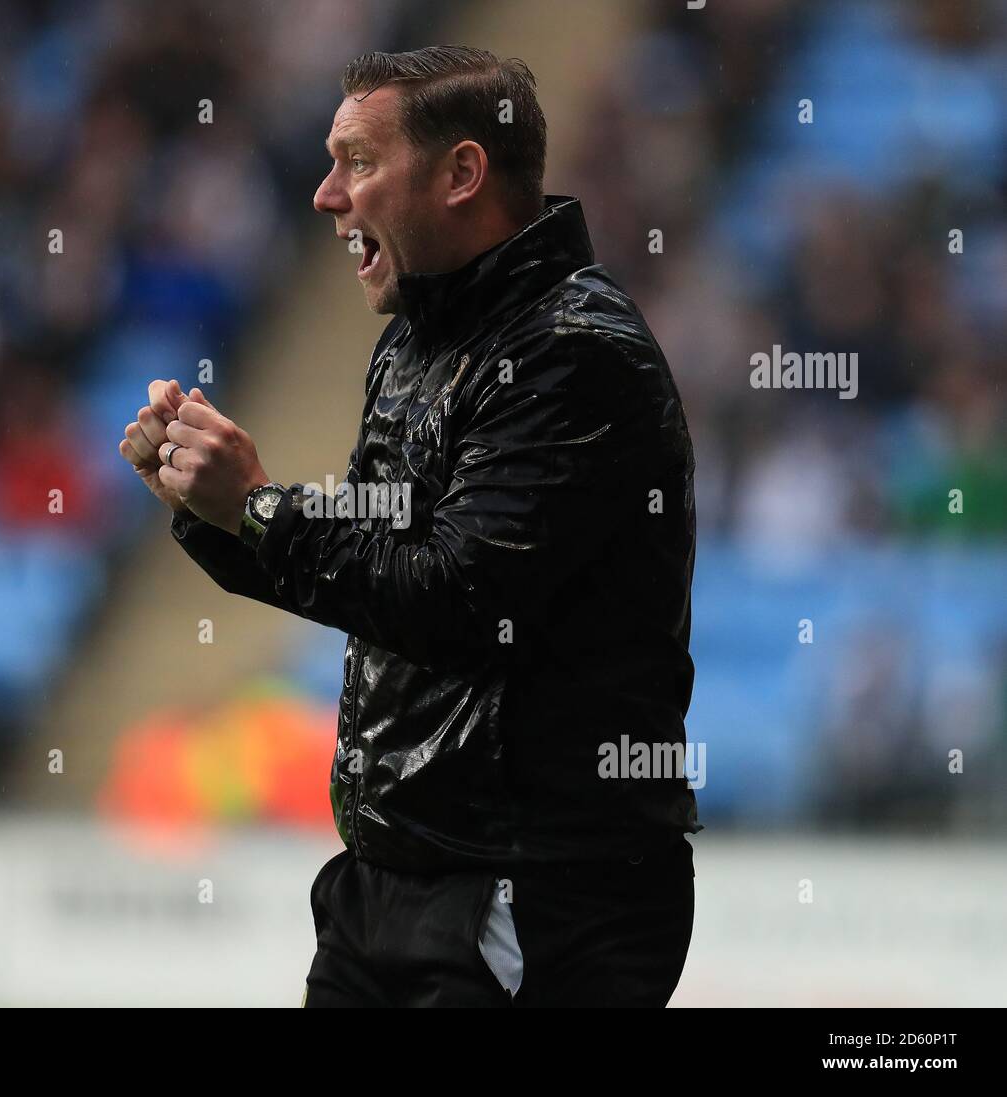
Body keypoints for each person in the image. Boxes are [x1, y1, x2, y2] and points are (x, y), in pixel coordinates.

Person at [118, 45, 701, 1007]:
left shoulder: (575, 352)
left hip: (535, 890)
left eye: (355, 161)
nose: (324, 195)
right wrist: (215, 512)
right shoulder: (414, 344)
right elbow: (374, 569)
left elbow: (459, 595)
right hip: (391, 883)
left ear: (462, 172)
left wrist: (260, 504)